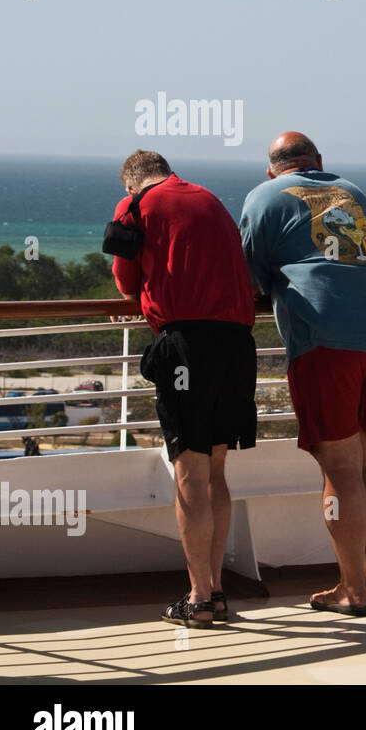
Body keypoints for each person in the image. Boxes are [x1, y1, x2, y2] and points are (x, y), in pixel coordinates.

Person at [240, 132, 366, 615]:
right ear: (318, 162)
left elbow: (249, 270)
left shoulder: (263, 196)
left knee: (339, 469)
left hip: (326, 333)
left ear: (272, 169)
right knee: (362, 466)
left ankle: (352, 591)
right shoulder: (351, 190)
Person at [109, 151, 256, 628]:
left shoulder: (136, 206)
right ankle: (214, 591)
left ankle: (198, 598)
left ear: (133, 182)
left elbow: (125, 281)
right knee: (215, 469)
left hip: (186, 347)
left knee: (189, 472)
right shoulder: (210, 199)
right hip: (236, 345)